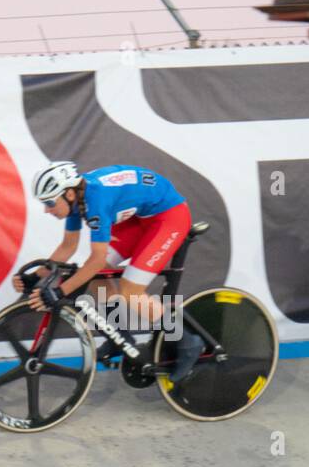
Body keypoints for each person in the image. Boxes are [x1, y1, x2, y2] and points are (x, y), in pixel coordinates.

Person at [15, 161, 205, 382]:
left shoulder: (95, 200)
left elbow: (94, 260)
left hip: (169, 217)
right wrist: (35, 276)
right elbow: (68, 247)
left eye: (49, 202)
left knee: (130, 289)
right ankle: (120, 337)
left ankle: (188, 342)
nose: (47, 210)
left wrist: (61, 291)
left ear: (67, 193)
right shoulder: (77, 198)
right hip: (140, 218)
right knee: (99, 273)